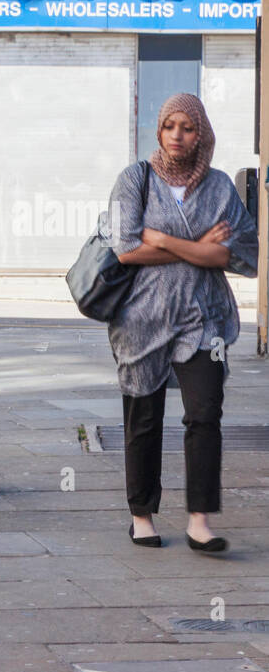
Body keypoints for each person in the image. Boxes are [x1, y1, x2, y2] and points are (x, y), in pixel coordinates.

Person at [105, 92, 257, 552]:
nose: (177, 135)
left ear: (201, 134)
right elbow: (124, 248)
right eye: (170, 126)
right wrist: (198, 246)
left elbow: (236, 252)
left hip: (203, 319)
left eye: (187, 128)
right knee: (144, 418)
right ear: (159, 129)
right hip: (141, 319)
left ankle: (199, 520)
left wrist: (163, 238)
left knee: (205, 414)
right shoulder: (134, 180)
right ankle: (142, 514)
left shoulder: (219, 189)